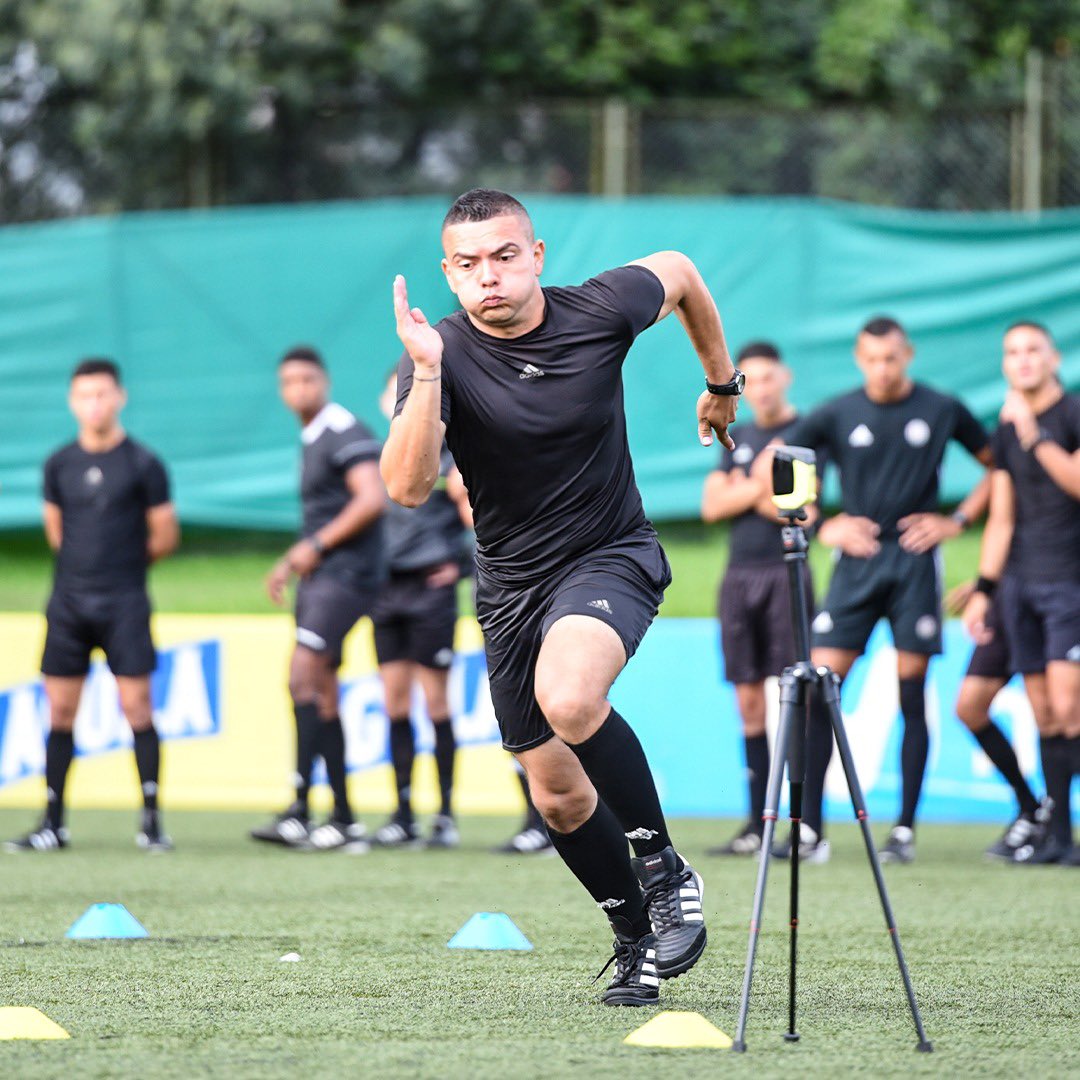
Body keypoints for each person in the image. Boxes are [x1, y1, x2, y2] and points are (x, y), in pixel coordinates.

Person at [382, 189, 742, 1006]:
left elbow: (681, 272)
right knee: (555, 791)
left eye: (504, 256)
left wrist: (722, 382)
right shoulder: (436, 354)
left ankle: (664, 869)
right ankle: (635, 938)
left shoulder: (600, 309)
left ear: (536, 256)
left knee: (571, 697)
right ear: (450, 274)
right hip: (510, 588)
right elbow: (405, 488)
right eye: (469, 265)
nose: (489, 276)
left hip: (609, 554)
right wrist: (428, 372)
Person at [779, 315, 992, 864]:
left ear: (908, 355)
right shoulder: (837, 411)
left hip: (915, 562)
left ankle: (903, 831)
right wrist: (825, 523)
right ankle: (810, 832)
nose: (882, 369)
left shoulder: (941, 408)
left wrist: (957, 520)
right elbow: (782, 466)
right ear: (859, 359)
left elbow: (1000, 466)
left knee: (911, 692)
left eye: (891, 358)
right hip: (856, 561)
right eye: (872, 359)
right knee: (819, 689)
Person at [6, 358, 179, 853]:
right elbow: (57, 533)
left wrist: (121, 568)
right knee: (60, 710)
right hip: (68, 604)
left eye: (102, 394)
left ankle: (151, 823)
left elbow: (164, 536)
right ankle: (52, 823)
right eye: (85, 395)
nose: (94, 404)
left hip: (125, 602)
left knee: (137, 707)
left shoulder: (143, 463)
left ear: (120, 397)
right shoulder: (59, 464)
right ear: (72, 401)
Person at [250, 346, 386, 852]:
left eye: (307, 380)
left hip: (345, 576)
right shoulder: (312, 435)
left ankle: (300, 809)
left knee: (301, 676)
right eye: (289, 382)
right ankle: (343, 818)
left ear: (324, 381)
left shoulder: (342, 430)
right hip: (325, 576)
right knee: (322, 688)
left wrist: (315, 547)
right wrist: (293, 562)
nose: (298, 390)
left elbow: (372, 498)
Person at [964, 321, 1080, 866]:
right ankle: (1056, 836)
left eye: (1033, 349)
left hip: (1069, 584)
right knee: (1046, 715)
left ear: (1053, 358)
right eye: (1013, 352)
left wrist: (1035, 434)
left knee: (1070, 709)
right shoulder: (1007, 429)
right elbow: (1002, 517)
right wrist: (985, 588)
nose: (1024, 359)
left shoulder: (1068, 415)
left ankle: (1062, 835)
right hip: (1021, 587)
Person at [701, 341, 815, 856]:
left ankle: (804, 826)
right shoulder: (737, 434)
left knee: (794, 698)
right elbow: (711, 506)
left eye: (769, 378)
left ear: (785, 377)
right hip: (739, 577)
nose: (762, 389)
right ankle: (755, 825)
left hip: (785, 575)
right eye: (752, 381)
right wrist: (759, 485)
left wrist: (744, 492)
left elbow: (803, 514)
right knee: (748, 701)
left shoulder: (805, 434)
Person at [371, 370, 471, 849]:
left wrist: (459, 565)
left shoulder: (452, 459)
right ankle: (402, 813)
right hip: (386, 593)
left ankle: (445, 814)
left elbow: (486, 522)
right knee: (394, 703)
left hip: (431, 593)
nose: (404, 398)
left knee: (436, 704)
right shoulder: (381, 458)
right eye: (397, 391)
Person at [947, 580, 1049, 859]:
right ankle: (1030, 807)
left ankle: (1055, 818)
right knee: (969, 707)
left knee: (1055, 712)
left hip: (1054, 592)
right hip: (1009, 595)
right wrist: (985, 584)